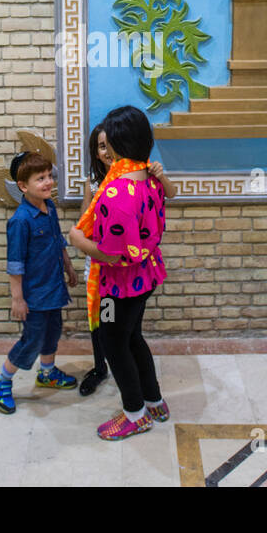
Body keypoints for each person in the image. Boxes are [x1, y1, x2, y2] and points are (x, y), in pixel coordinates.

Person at [68, 105, 171, 441]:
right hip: (145, 278)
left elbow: (111, 256)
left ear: (117, 143)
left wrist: (77, 239)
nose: (105, 147)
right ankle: (154, 400)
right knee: (133, 338)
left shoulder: (116, 192)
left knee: (114, 344)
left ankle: (135, 414)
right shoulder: (148, 179)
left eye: (108, 140)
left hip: (117, 288)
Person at [0, 151, 80, 414]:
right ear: (23, 186)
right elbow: (15, 264)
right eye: (41, 178)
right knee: (33, 339)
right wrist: (17, 298)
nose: (48, 182)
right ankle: (1, 379)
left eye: (50, 176)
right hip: (34, 295)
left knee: (53, 332)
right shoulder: (20, 221)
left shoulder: (49, 207)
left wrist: (68, 266)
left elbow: (58, 240)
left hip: (54, 287)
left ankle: (47, 372)